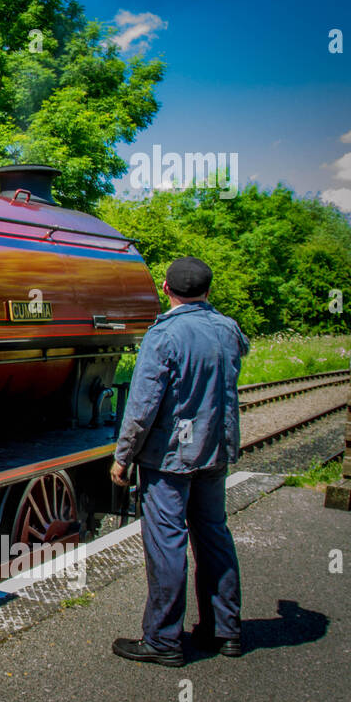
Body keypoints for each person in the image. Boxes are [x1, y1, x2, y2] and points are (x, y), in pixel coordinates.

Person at [110, 256, 248, 666]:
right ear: (209, 290)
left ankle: (163, 640)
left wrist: (123, 457)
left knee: (168, 541)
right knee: (214, 536)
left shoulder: (163, 335)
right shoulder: (228, 329)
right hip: (216, 449)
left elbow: (142, 405)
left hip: (171, 456)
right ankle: (225, 632)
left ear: (166, 289)